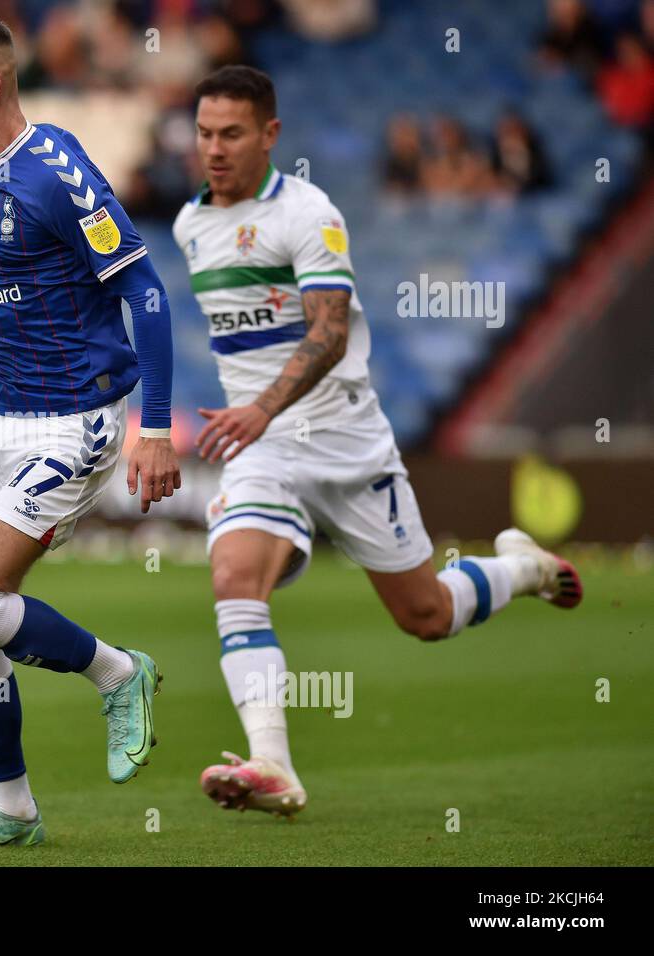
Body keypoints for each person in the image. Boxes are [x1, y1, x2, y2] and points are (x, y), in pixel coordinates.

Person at [171, 66, 583, 816]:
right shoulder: (190, 224)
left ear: (271, 135)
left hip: (344, 437)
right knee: (235, 577)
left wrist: (262, 406)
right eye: (204, 133)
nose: (215, 148)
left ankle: (521, 571)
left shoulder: (309, 212)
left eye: (232, 133)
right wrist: (255, 417)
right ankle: (273, 765)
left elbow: (328, 332)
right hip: (261, 444)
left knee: (425, 615)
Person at [0, 12, 179, 849]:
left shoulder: (55, 170)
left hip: (74, 422)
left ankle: (119, 673)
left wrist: (159, 428)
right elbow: (10, 297)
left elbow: (144, 292)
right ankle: (14, 811)